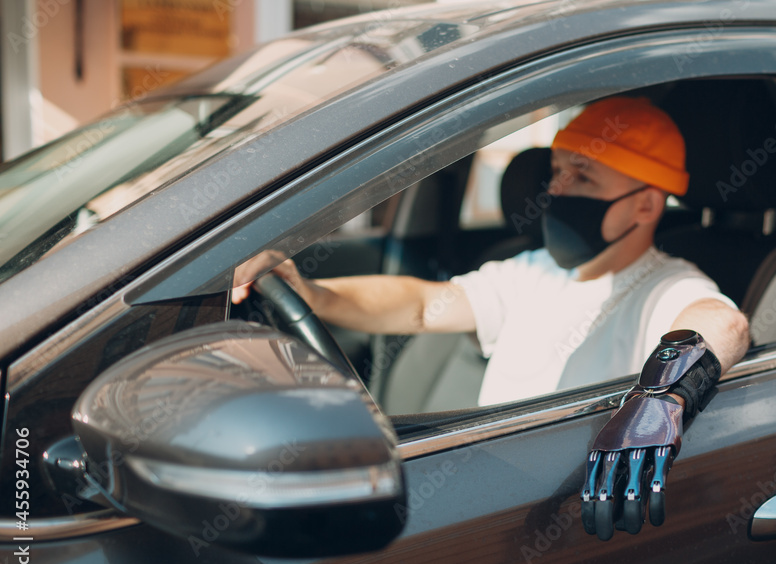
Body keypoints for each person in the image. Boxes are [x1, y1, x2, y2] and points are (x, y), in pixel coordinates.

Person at [233, 96, 749, 406]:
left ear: (645, 205)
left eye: (583, 177)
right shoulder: (533, 273)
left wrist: (665, 400)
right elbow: (421, 305)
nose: (557, 189)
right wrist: (313, 294)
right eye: (557, 172)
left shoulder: (665, 285)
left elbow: (722, 324)